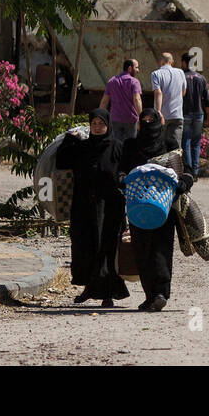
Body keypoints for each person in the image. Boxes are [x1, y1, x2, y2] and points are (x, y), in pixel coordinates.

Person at [55, 108, 130, 308]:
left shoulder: (117, 147)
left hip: (109, 206)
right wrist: (70, 140)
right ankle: (88, 288)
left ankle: (108, 293)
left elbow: (125, 171)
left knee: (106, 247)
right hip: (83, 205)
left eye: (101, 124)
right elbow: (61, 162)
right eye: (94, 124)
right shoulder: (83, 146)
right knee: (84, 246)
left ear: (108, 125)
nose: (97, 127)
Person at [121, 108, 192, 311]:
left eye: (152, 120)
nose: (149, 125)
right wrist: (121, 179)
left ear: (160, 123)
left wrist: (184, 183)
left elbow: (185, 170)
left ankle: (160, 292)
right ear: (139, 124)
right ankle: (150, 295)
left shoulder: (169, 144)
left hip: (164, 206)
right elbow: (122, 169)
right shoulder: (131, 145)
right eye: (145, 121)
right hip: (137, 206)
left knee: (161, 249)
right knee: (142, 250)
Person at [181, 54, 209, 177]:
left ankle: (188, 172)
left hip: (186, 114)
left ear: (184, 62)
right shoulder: (201, 78)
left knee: (186, 143)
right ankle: (195, 171)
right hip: (199, 114)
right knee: (196, 143)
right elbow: (207, 100)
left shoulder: (182, 77)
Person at [100, 58, 143, 142]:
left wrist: (100, 118)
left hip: (115, 119)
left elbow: (104, 102)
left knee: (116, 144)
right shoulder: (134, 82)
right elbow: (137, 100)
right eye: (136, 67)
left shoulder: (112, 81)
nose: (138, 70)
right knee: (130, 145)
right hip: (131, 119)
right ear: (130, 68)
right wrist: (141, 117)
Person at [150, 52, 187, 148]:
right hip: (177, 115)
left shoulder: (155, 74)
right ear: (172, 62)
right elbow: (183, 92)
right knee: (176, 147)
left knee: (160, 146)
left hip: (162, 115)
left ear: (161, 62)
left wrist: (158, 111)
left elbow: (158, 92)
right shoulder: (180, 72)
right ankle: (175, 163)